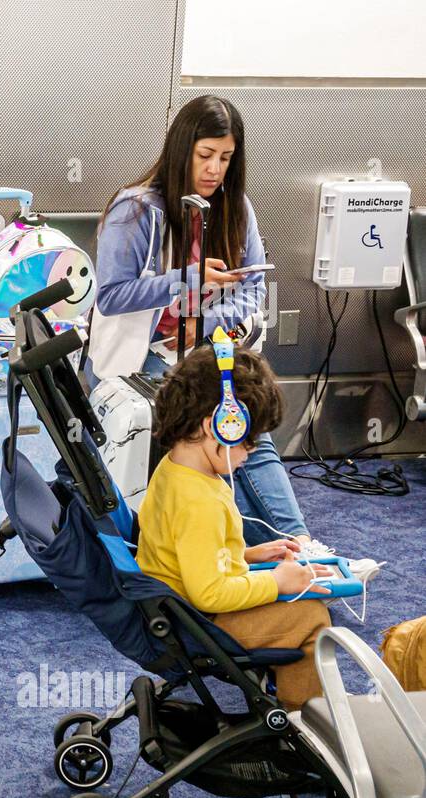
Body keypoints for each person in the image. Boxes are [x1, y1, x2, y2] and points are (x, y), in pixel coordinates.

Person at [88, 94, 378, 577]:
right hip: (142, 358)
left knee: (248, 426)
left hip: (205, 348)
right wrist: (190, 278)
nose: (214, 169)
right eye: (205, 156)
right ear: (182, 149)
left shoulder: (235, 206)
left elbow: (254, 283)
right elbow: (112, 297)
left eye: (225, 158)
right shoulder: (136, 210)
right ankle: (285, 553)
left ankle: (296, 546)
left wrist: (230, 321)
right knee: (223, 428)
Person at [136, 346, 334, 710]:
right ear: (217, 426)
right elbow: (209, 594)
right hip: (201, 624)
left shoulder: (173, 470)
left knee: (300, 603)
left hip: (178, 613)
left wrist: (244, 554)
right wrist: (276, 581)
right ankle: (304, 720)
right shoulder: (200, 501)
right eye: (250, 439)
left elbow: (181, 550)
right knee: (311, 618)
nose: (251, 450)